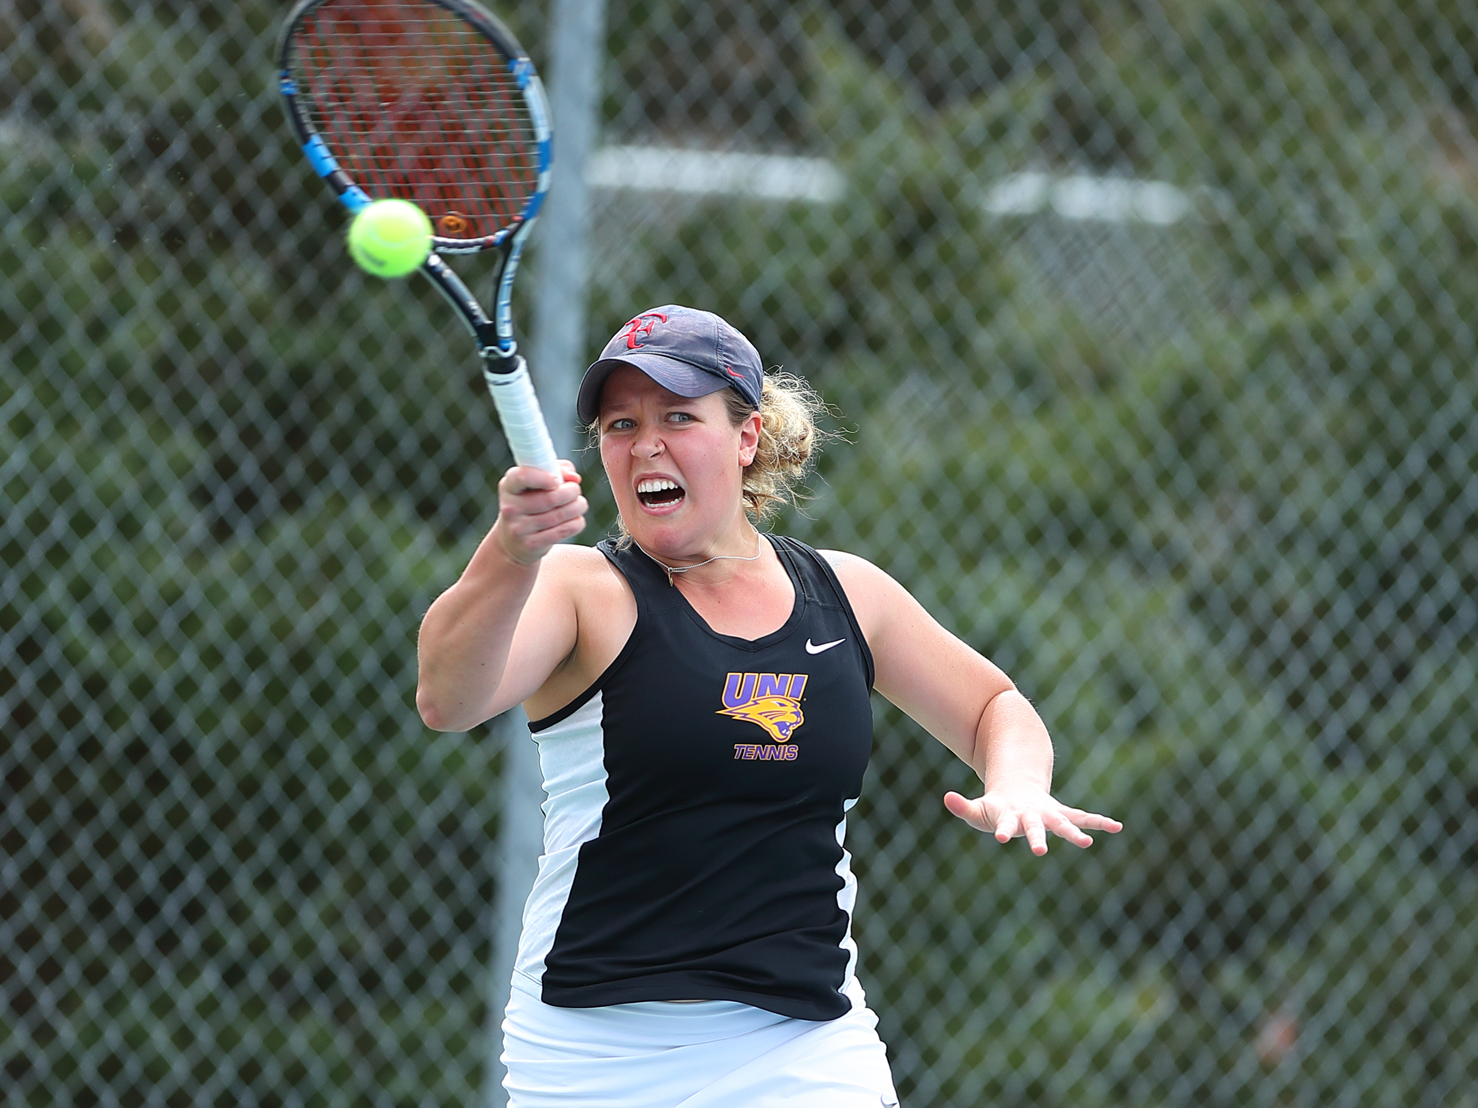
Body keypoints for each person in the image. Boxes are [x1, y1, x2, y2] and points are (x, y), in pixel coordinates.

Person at [416, 305, 1122, 1108]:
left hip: (804, 1047)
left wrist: (1020, 781)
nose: (647, 443)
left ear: (747, 436)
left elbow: (995, 704)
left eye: (679, 416)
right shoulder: (581, 589)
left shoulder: (847, 594)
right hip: (595, 1052)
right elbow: (448, 696)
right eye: (621, 423)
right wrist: (510, 552)